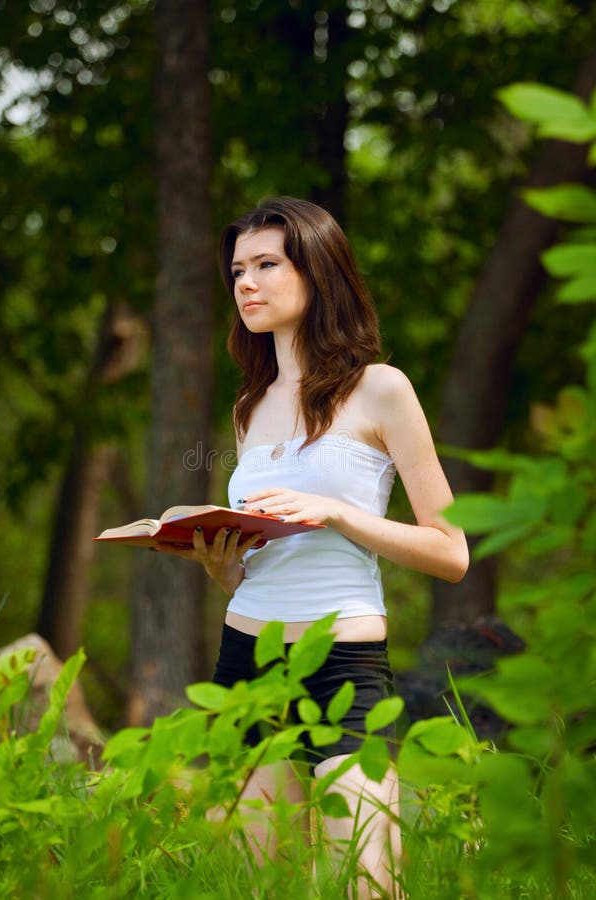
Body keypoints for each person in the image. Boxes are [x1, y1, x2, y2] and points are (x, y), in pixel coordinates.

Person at [156, 196, 469, 898]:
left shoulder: (381, 390)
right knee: (248, 880)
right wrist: (221, 565)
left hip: (344, 664)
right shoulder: (250, 405)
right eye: (237, 269)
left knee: (363, 880)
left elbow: (451, 552)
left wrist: (337, 512)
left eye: (267, 264)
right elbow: (263, 570)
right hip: (248, 659)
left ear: (318, 273)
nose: (245, 283)